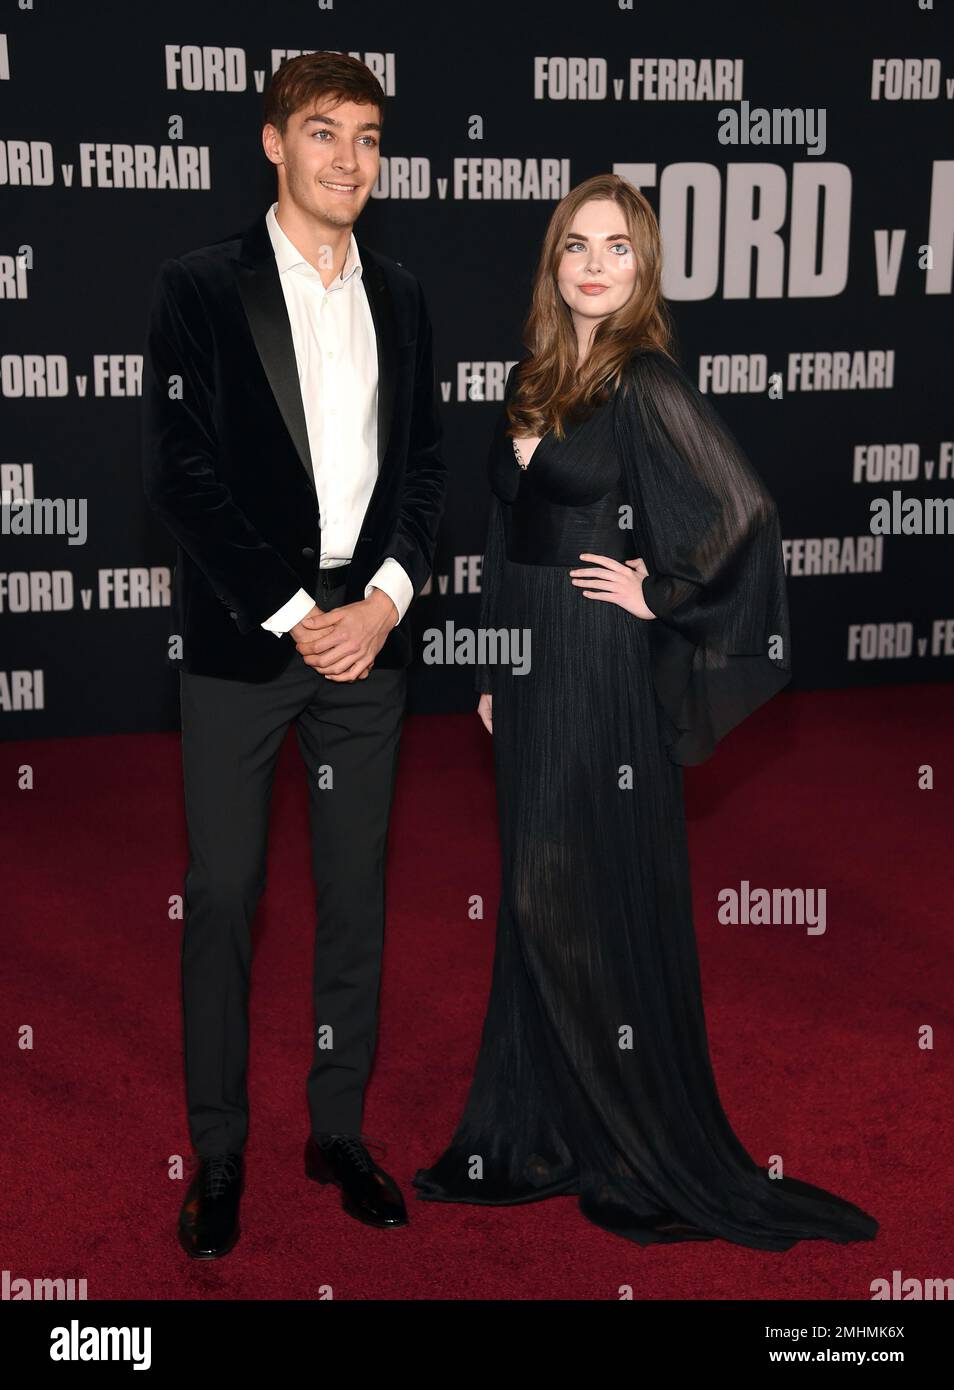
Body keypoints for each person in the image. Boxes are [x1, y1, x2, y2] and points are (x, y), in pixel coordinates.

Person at [412, 173, 878, 1250]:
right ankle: (537, 1132)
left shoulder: (643, 380)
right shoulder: (535, 376)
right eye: (575, 244)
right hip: (526, 659)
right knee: (537, 888)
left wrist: (659, 593)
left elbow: (743, 507)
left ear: (642, 267)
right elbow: (499, 524)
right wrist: (489, 661)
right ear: (553, 261)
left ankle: (634, 1146)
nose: (591, 263)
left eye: (615, 248)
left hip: (598, 658)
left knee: (554, 889)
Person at [141, 52, 445, 1258]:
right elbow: (180, 472)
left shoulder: (408, 295)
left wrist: (379, 604)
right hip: (243, 637)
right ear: (274, 142)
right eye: (325, 133)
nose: (350, 160)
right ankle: (218, 1147)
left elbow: (424, 471)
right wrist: (288, 609)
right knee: (222, 895)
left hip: (368, 643)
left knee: (354, 898)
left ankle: (336, 1127)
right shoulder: (200, 285)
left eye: (369, 138)